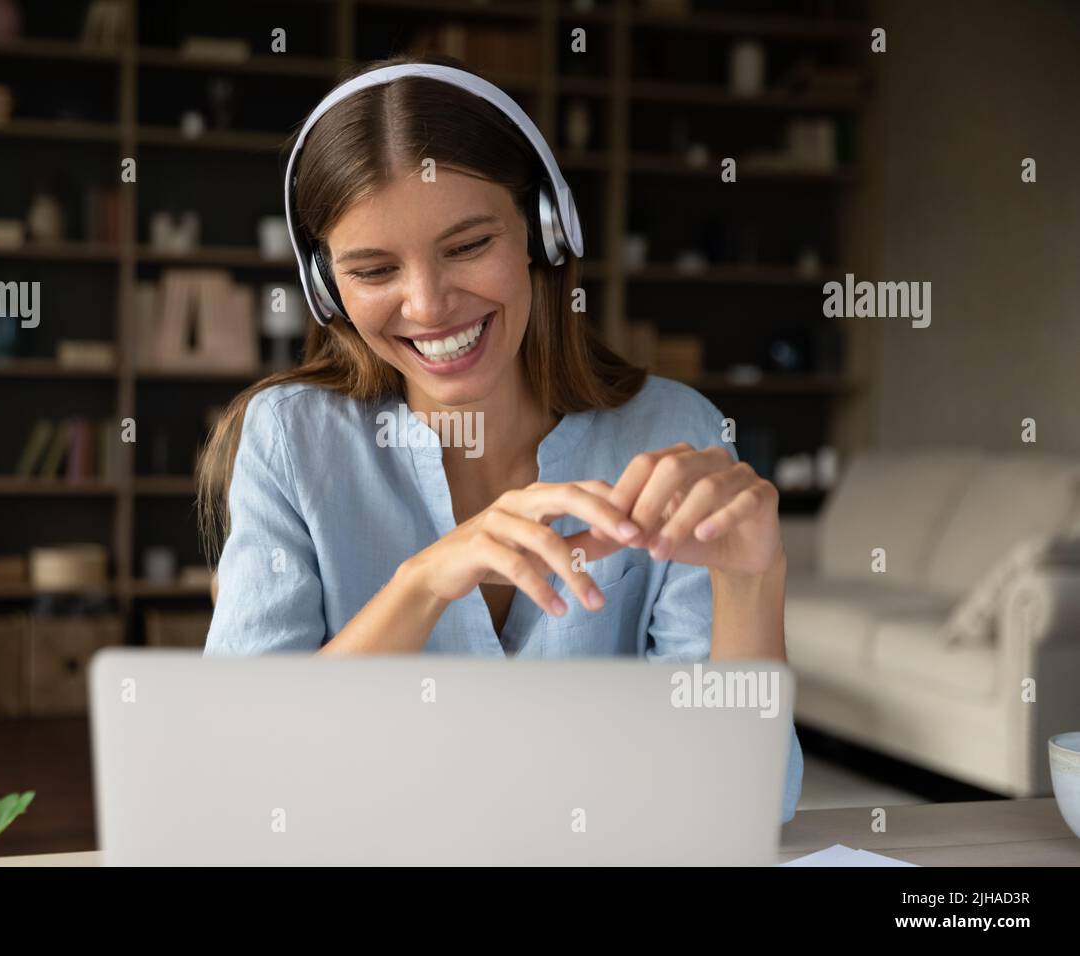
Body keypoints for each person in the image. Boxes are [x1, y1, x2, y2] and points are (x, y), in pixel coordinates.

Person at [198, 54, 802, 823]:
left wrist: (754, 581)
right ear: (327, 290)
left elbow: (746, 806)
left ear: (544, 234)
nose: (429, 305)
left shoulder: (671, 432)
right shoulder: (292, 442)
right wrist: (424, 583)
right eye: (375, 269)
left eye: (467, 246)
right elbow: (240, 778)